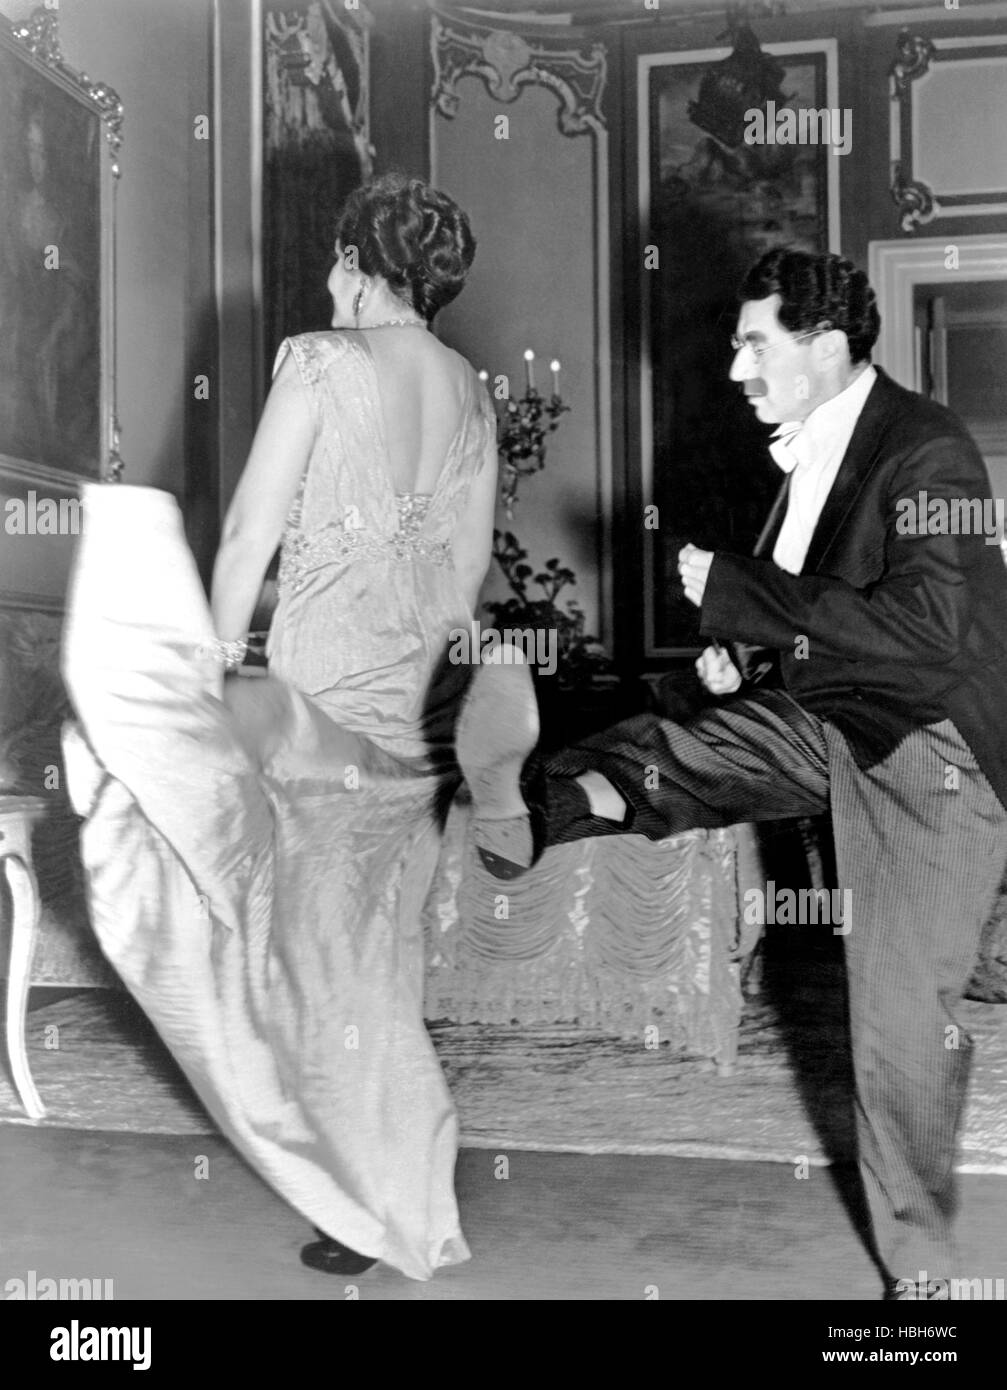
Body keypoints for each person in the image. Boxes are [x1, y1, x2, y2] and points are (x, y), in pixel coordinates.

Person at [458, 249, 1007, 1300]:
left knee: (899, 1012)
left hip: (936, 755)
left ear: (827, 345)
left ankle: (924, 1281)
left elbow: (926, 635)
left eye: (755, 343)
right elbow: (820, 620)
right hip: (836, 718)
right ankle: (531, 808)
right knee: (692, 743)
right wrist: (745, 656)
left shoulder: (926, 449)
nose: (734, 368)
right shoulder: (800, 460)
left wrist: (746, 599)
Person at [61, 174, 498, 1281]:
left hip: (314, 711)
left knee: (298, 960)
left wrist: (207, 667)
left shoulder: (318, 361)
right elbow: (466, 573)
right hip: (410, 716)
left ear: (358, 262)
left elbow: (252, 526)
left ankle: (381, 1205)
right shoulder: (473, 395)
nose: (326, 282)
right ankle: (387, 1199)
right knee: (366, 965)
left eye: (335, 262)